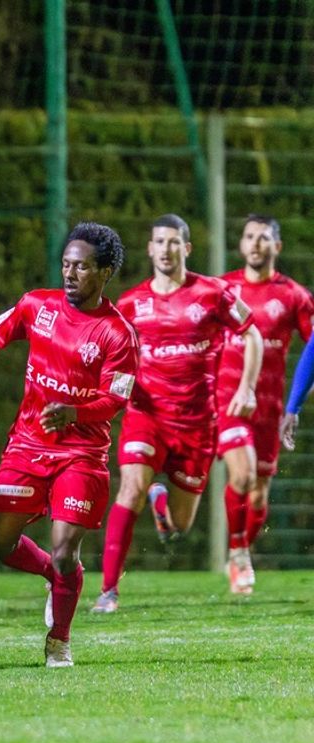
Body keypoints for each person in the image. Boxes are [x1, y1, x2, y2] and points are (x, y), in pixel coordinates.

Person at [0, 222, 138, 667]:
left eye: (83, 267)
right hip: (27, 446)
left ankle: (59, 641)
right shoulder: (38, 306)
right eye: (67, 264)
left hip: (81, 454)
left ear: (106, 272)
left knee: (63, 550)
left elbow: (117, 399)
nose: (71, 273)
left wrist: (75, 412)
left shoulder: (118, 335)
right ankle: (51, 578)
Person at [93, 214, 263, 613]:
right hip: (146, 416)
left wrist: (246, 387)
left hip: (197, 423)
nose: (166, 249)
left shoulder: (213, 293)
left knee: (180, 526)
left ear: (186, 248)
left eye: (174, 242)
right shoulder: (131, 304)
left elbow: (251, 333)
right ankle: (108, 591)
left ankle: (163, 507)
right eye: (159, 242)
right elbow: (109, 352)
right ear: (150, 249)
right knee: (129, 488)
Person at [215, 215, 313, 595]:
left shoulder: (293, 295)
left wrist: (298, 400)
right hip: (230, 400)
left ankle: (240, 549)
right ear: (241, 245)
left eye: (264, 238)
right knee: (240, 475)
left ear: (277, 247)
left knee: (258, 494)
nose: (256, 243)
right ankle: (238, 555)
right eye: (249, 236)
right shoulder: (224, 289)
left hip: (270, 407)